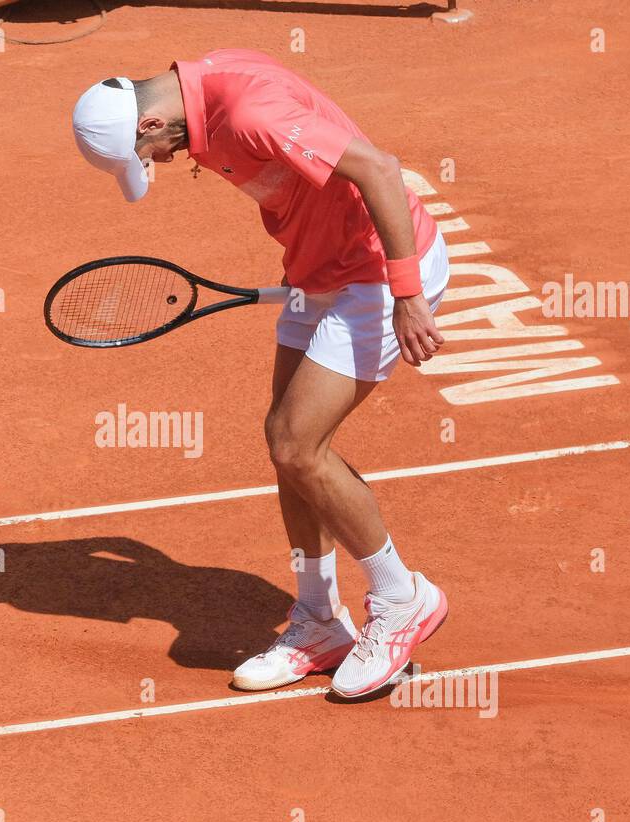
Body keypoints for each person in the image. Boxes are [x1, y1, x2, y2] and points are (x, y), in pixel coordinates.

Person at [70, 50, 448, 698]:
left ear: (149, 124)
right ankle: (318, 621)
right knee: (287, 448)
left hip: (376, 274)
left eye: (149, 156)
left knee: (296, 444)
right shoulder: (198, 98)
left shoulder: (248, 115)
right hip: (318, 275)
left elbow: (379, 170)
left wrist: (407, 293)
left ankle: (400, 599)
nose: (159, 164)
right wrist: (306, 253)